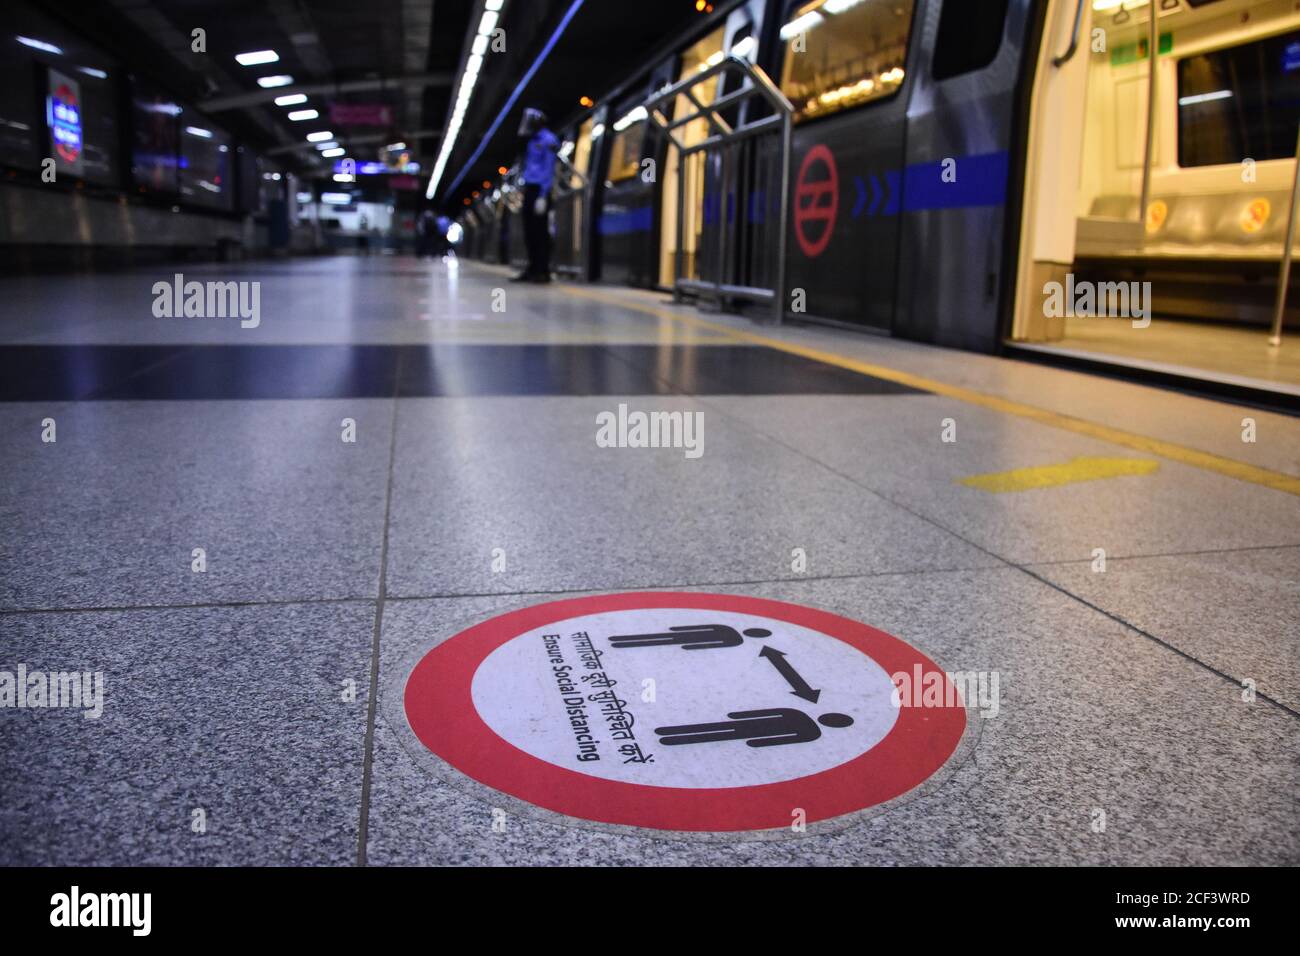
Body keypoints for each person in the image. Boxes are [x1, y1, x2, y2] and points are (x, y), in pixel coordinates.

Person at [514, 107, 558, 283]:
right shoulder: (532, 141)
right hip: (530, 189)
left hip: (540, 191)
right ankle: (532, 268)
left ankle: (543, 270)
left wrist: (543, 194)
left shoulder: (548, 140)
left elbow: (548, 168)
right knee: (530, 232)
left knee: (540, 232)